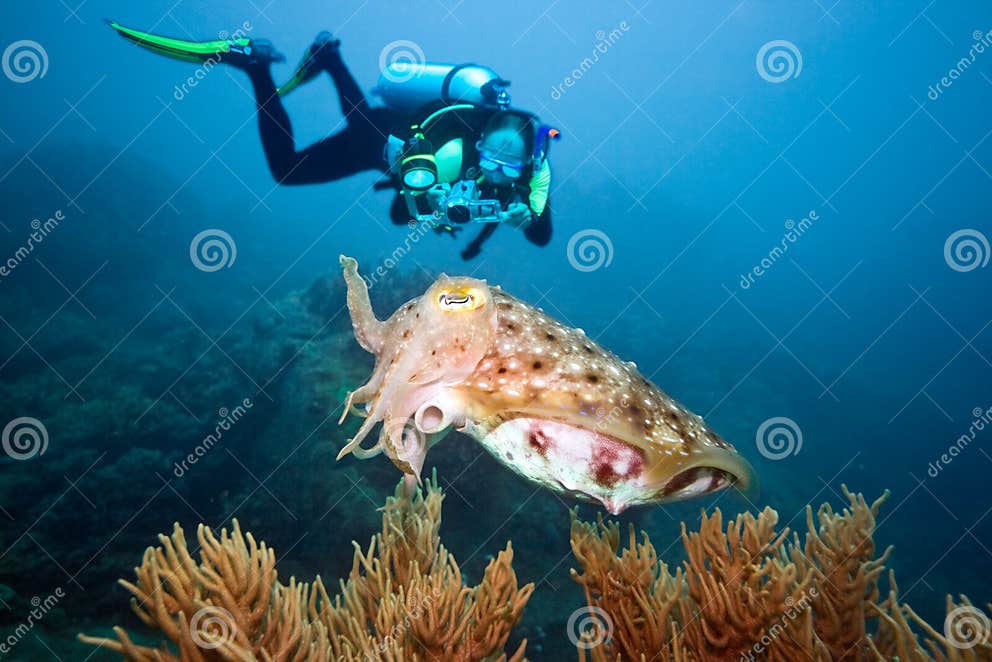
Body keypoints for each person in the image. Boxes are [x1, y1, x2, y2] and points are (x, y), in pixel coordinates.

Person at [224, 34, 553, 259]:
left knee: (359, 115)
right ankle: (258, 68)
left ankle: (330, 57)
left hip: (391, 126)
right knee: (286, 169)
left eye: (509, 166)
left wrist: (528, 219)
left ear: (527, 163)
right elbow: (399, 216)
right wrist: (428, 202)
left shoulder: (534, 174)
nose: (496, 172)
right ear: (478, 144)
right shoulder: (451, 155)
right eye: (489, 159)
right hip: (382, 138)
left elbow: (542, 238)